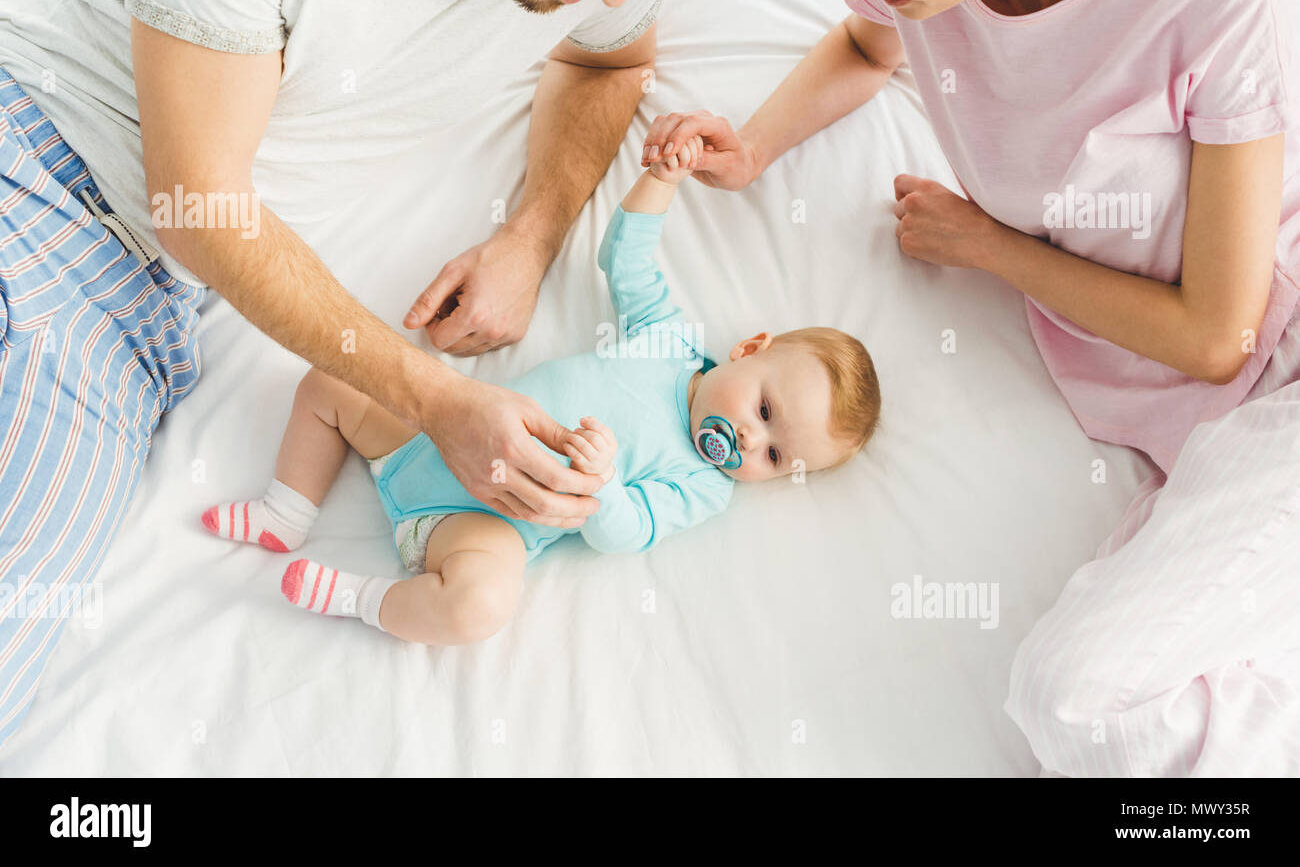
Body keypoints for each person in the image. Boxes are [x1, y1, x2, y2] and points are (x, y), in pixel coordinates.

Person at [0, 0, 686, 749]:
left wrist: (530, 238)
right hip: (38, 172)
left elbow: (612, 61)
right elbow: (199, 214)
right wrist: (437, 400)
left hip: (144, 313)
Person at [640, 0, 1300, 775]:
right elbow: (866, 47)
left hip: (1272, 372)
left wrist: (989, 247)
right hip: (1203, 425)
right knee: (1093, 705)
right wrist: (754, 146)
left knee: (1073, 696)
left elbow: (1221, 337)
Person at [197, 134, 882, 645]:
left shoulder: (703, 487)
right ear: (749, 348)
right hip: (430, 434)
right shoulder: (668, 342)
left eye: (773, 457)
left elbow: (628, 533)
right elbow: (626, 261)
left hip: (484, 526)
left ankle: (363, 598)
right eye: (764, 410)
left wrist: (602, 481)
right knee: (330, 379)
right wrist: (661, 180)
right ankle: (285, 510)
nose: (749, 442)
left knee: (482, 608)